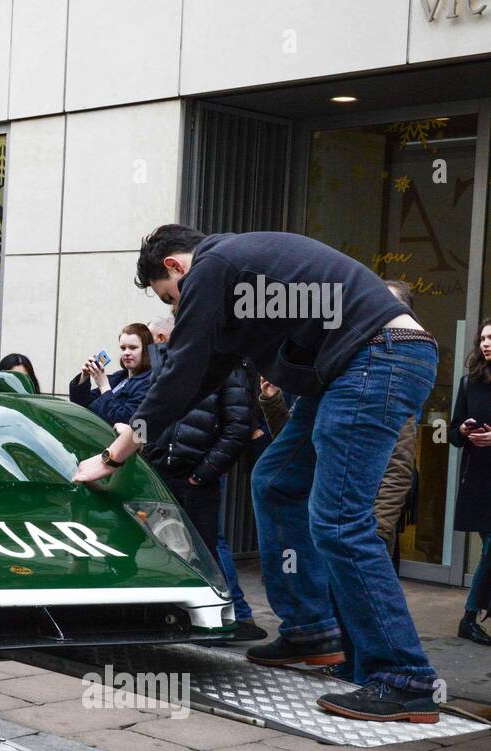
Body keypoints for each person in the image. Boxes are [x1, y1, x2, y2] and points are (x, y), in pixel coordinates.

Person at [73, 225, 441, 723]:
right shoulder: (238, 281)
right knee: (275, 481)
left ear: (177, 268)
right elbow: (197, 376)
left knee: (339, 521)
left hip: (376, 358)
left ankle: (405, 677)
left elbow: (180, 368)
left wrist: (116, 455)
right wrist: (143, 438)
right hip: (356, 366)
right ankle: (311, 628)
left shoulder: (213, 265)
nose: (177, 310)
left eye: (170, 297)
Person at [257, 279, 420, 565]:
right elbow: (294, 447)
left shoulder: (390, 386)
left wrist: (377, 532)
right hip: (323, 523)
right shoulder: (332, 372)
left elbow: (398, 470)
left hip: (360, 531)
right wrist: (273, 400)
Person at [148, 314, 266, 640]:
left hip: (196, 476)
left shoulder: (229, 367)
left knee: (208, 549)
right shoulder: (174, 366)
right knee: (171, 547)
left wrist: (203, 474)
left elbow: (238, 427)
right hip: (164, 472)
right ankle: (181, 616)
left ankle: (228, 619)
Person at [452, 319, 491, 646]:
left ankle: (470, 614)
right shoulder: (469, 383)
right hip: (479, 478)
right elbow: (452, 434)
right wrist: (463, 431)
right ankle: (470, 616)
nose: (486, 344)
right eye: (483, 338)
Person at [68, 323, 153, 427]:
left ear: (146, 350)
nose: (126, 352)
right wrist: (84, 377)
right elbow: (81, 403)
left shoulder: (149, 382)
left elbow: (124, 422)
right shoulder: (119, 377)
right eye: (123, 348)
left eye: (133, 348)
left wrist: (104, 386)